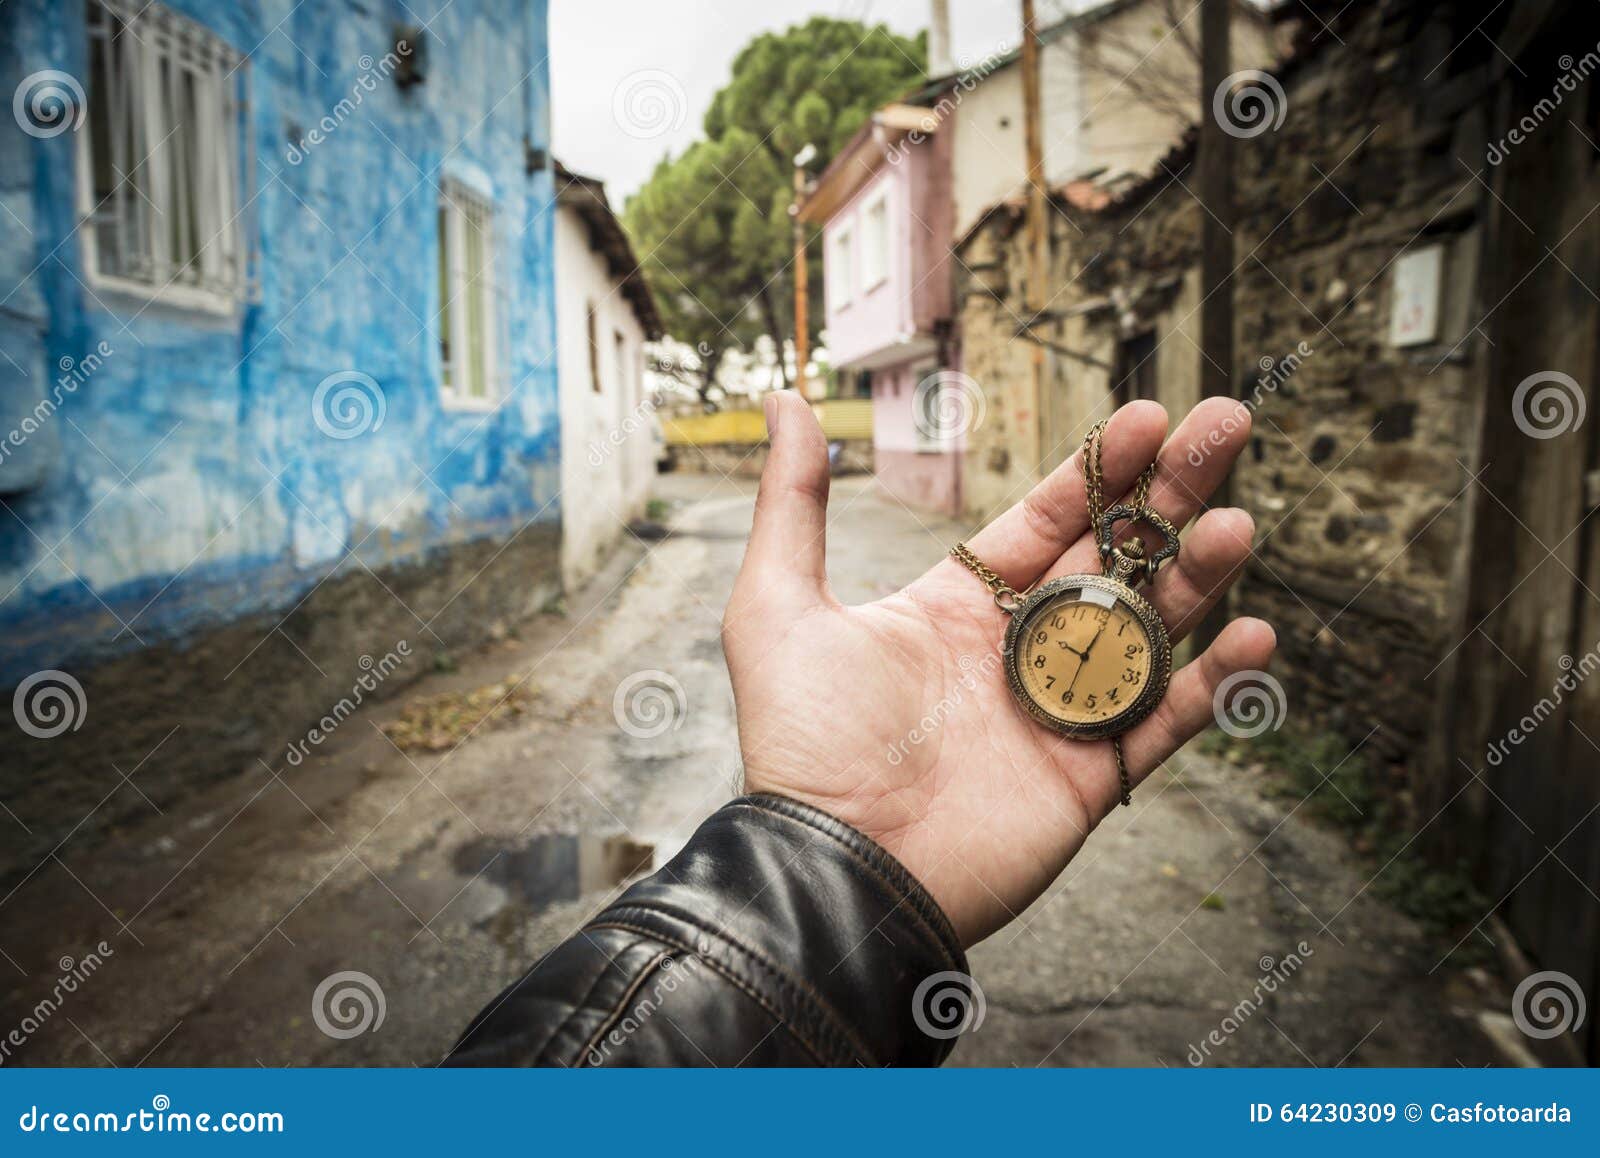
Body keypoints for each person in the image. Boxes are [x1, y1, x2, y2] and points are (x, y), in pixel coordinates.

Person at [445, 393, 1274, 1066]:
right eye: (1063, 643)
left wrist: (825, 870)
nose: (1079, 646)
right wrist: (844, 860)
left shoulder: (1077, 615)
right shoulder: (1052, 620)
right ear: (1033, 627)